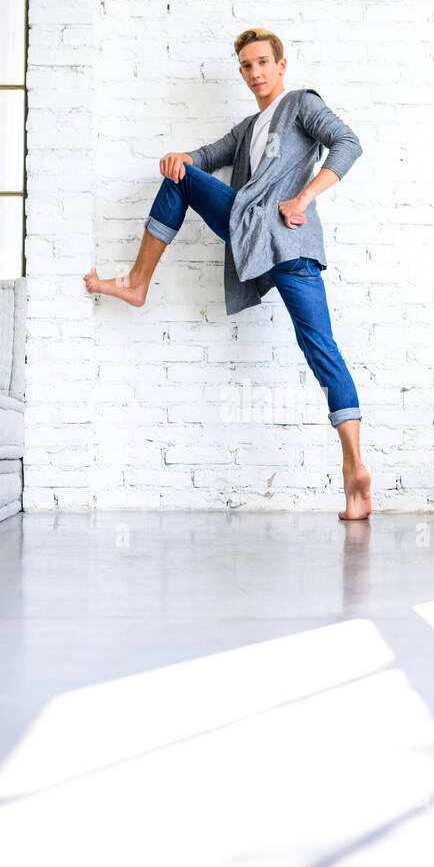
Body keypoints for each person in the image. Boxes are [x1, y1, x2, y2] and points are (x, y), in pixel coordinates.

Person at [84, 28, 371, 520]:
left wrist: (304, 197)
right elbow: (205, 157)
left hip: (285, 238)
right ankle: (353, 467)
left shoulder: (302, 103)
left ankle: (136, 283)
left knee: (321, 348)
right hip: (259, 236)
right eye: (246, 66)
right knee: (179, 176)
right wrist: (182, 159)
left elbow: (348, 142)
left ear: (282, 65)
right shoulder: (246, 129)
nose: (255, 72)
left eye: (263, 62)